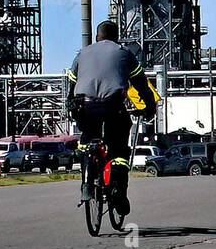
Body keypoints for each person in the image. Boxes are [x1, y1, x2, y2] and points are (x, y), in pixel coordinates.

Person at [67, 20, 158, 215]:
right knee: (119, 148)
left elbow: (71, 83)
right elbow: (141, 83)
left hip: (84, 105)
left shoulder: (82, 53)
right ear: (117, 37)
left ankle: (86, 182)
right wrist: (149, 107)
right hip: (112, 105)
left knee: (86, 140)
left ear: (97, 37)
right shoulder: (124, 53)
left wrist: (70, 104)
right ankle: (118, 189)